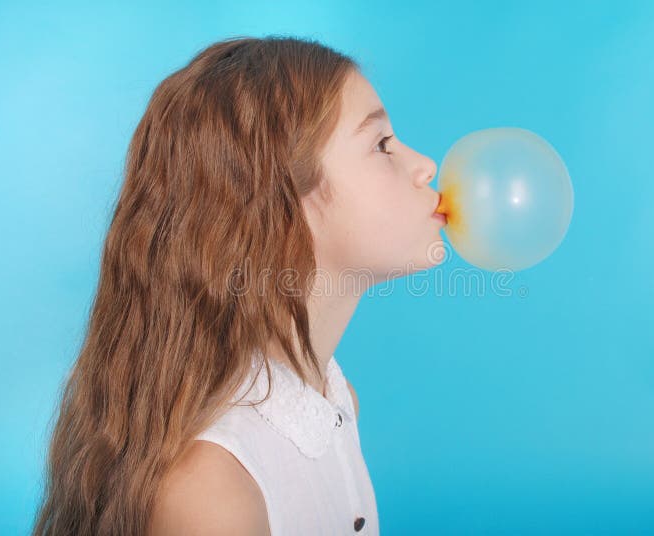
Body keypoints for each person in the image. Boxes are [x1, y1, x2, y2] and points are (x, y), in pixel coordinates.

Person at [33, 35, 443, 536]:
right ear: (278, 199)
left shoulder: (333, 400)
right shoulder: (212, 491)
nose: (425, 165)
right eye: (382, 145)